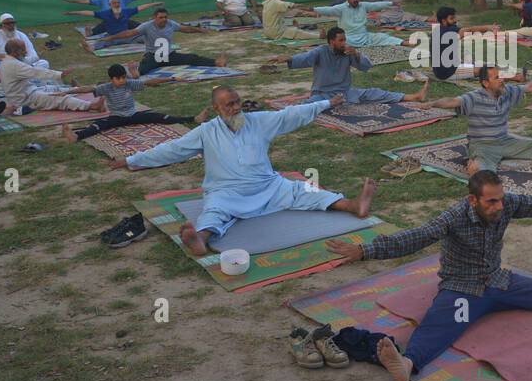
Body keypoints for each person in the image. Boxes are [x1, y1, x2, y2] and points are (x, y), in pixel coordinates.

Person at [323, 170, 532, 381]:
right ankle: (407, 364)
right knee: (440, 327)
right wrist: (366, 251)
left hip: (500, 284)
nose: (499, 206)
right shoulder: (455, 216)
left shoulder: (507, 204)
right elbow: (417, 236)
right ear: (473, 200)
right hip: (463, 291)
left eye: (500, 199)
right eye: (491, 201)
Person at [111, 85, 377, 256]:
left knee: (305, 190)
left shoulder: (257, 121)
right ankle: (200, 241)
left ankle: (354, 206)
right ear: (216, 109)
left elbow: (291, 114)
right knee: (214, 211)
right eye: (229, 105)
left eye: (237, 102)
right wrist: (133, 160)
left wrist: (326, 104)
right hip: (226, 192)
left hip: (269, 186)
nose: (236, 108)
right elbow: (172, 149)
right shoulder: (206, 132)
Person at [411, 65, 532, 175]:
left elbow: (529, 87)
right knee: (483, 172)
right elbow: (452, 101)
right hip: (482, 145)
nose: (502, 80)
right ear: (485, 83)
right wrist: (432, 103)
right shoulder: (474, 97)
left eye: (501, 76)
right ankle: (475, 165)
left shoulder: (506, 91)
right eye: (496, 77)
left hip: (505, 140)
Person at [265, 27, 427, 105]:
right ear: (331, 42)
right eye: (340, 40)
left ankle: (413, 97)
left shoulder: (348, 53)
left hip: (344, 93)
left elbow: (366, 67)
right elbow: (304, 58)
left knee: (373, 93)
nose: (344, 43)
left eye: (344, 40)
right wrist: (287, 58)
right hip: (323, 94)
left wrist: (356, 54)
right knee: (308, 107)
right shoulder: (320, 52)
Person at [62, 64, 194, 141]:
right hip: (116, 117)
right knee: (98, 125)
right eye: (118, 79)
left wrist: (170, 78)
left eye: (123, 78)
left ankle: (192, 118)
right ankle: (76, 136)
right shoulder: (106, 87)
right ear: (111, 79)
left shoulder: (129, 84)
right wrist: (68, 92)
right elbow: (89, 88)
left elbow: (149, 82)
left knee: (158, 116)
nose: (122, 81)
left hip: (132, 115)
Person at [96, 7, 226, 76]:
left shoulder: (171, 24)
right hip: (153, 56)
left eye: (165, 17)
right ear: (154, 18)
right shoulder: (147, 26)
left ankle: (217, 62)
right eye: (160, 17)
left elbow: (185, 29)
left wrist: (199, 30)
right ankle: (135, 73)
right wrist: (111, 38)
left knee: (192, 57)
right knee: (144, 69)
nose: (163, 19)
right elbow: (129, 33)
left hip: (169, 55)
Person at [0, 39, 103, 114]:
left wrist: (41, 52)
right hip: (25, 100)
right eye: (23, 50)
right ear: (15, 52)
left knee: (60, 89)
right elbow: (36, 72)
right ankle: (91, 106)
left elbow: (28, 60)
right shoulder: (13, 65)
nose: (25, 52)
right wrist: (59, 74)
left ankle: (84, 89)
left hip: (29, 91)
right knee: (59, 97)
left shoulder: (12, 59)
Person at [313, 0, 405, 47]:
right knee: (338, 41)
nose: (355, 0)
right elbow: (328, 10)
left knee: (382, 36)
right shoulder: (341, 8)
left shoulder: (363, 5)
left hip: (365, 36)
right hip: (348, 38)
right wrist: (312, 9)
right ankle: (326, 37)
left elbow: (376, 5)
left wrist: (391, 3)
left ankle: (403, 42)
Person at [429, 6, 501, 80]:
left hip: (442, 70)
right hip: (448, 72)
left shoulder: (437, 30)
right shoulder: (448, 30)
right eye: (451, 18)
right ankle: (512, 77)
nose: (455, 20)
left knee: (483, 64)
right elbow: (468, 30)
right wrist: (488, 27)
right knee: (490, 71)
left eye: (454, 17)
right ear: (444, 21)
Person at [0, 13, 51, 85]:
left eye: (12, 23)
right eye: (7, 23)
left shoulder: (21, 35)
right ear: (1, 25)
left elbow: (33, 55)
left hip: (21, 65)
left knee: (43, 63)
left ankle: (23, 78)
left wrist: (24, 62)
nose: (11, 25)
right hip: (2, 67)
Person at [62, 0, 159, 35]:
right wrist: (72, 1)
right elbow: (86, 2)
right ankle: (91, 32)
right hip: (108, 20)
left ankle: (149, 28)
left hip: (124, 19)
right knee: (98, 30)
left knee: (139, 27)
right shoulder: (101, 0)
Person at [64, 0, 163, 37]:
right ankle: (90, 32)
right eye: (115, 3)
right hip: (111, 30)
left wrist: (153, 4)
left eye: (118, 2)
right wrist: (73, 12)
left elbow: (140, 7)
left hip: (125, 28)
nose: (117, 4)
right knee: (102, 27)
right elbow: (88, 12)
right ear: (110, 4)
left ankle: (152, 29)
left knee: (139, 27)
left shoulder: (126, 11)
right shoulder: (105, 13)